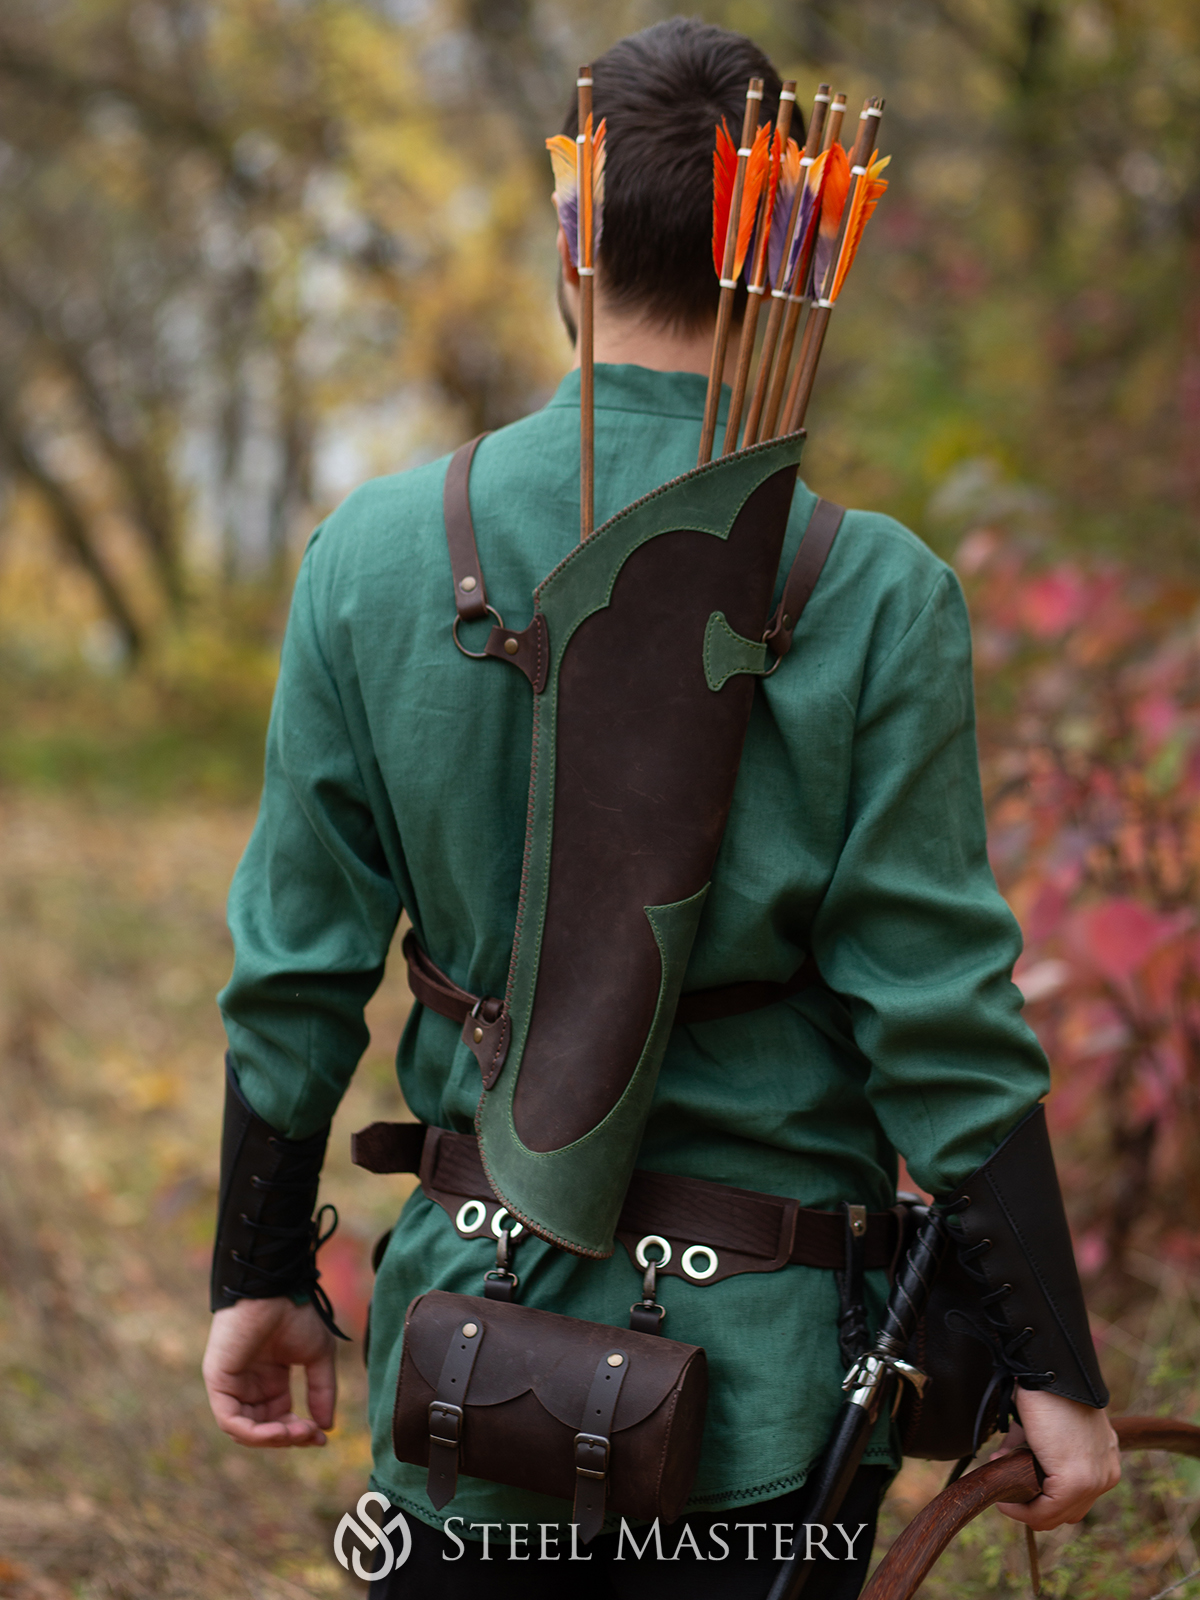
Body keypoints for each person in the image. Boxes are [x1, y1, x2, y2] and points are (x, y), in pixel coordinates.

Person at [201, 19, 1120, 1599]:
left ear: (575, 226)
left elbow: (294, 973)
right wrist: (1055, 1365)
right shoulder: (877, 592)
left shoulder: (366, 557)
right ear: (797, 239)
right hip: (766, 1399)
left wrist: (258, 1271)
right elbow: (942, 1020)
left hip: (462, 1358)